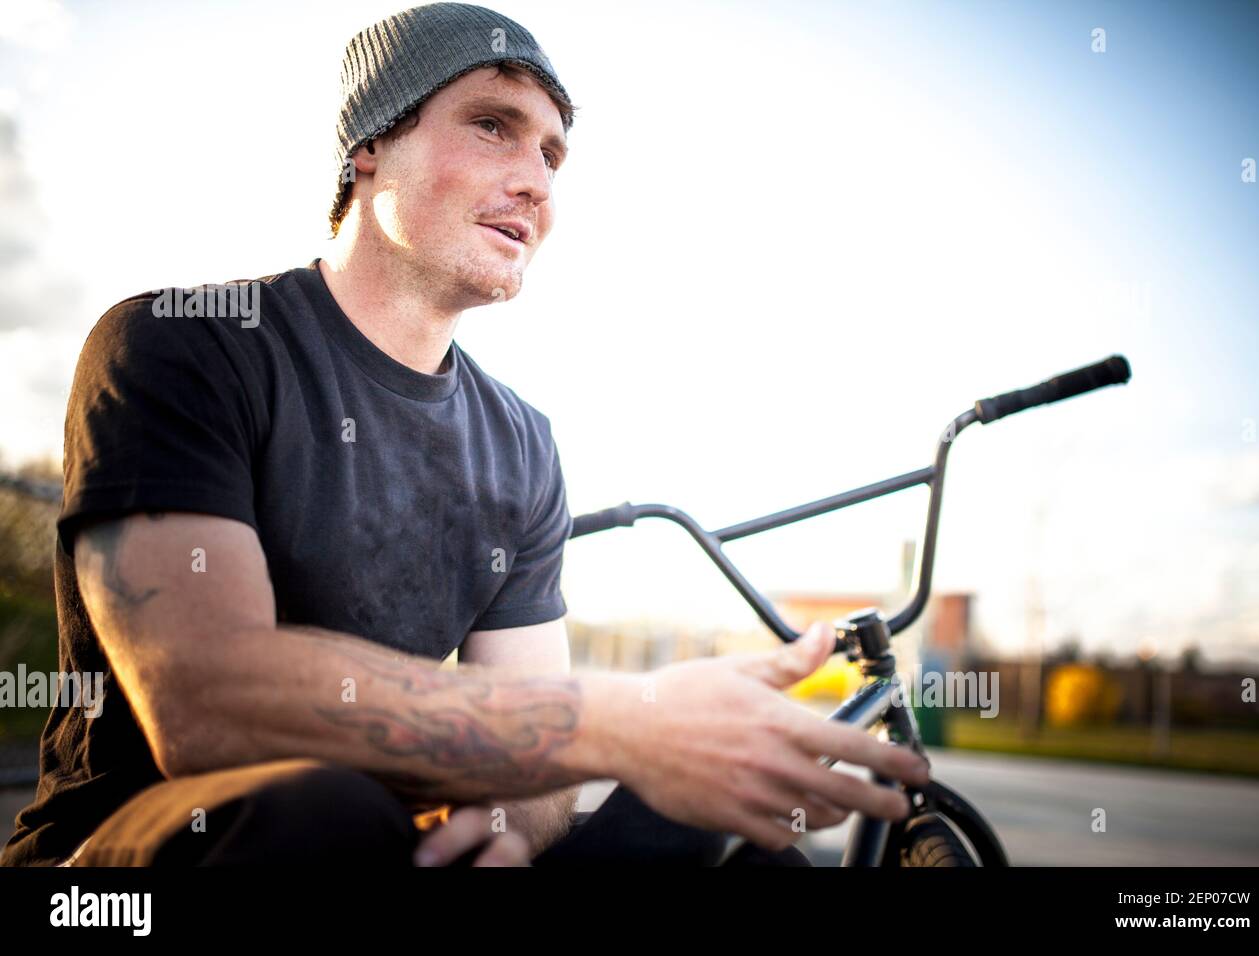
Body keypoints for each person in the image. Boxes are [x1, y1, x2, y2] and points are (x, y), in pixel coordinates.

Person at [0, 2, 928, 868]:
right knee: (324, 812)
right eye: (493, 126)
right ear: (369, 145)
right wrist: (624, 719)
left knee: (726, 842)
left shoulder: (522, 441)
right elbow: (204, 702)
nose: (534, 180)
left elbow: (539, 774)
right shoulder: (185, 343)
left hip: (396, 841)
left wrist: (505, 825)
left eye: (554, 156)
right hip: (126, 863)